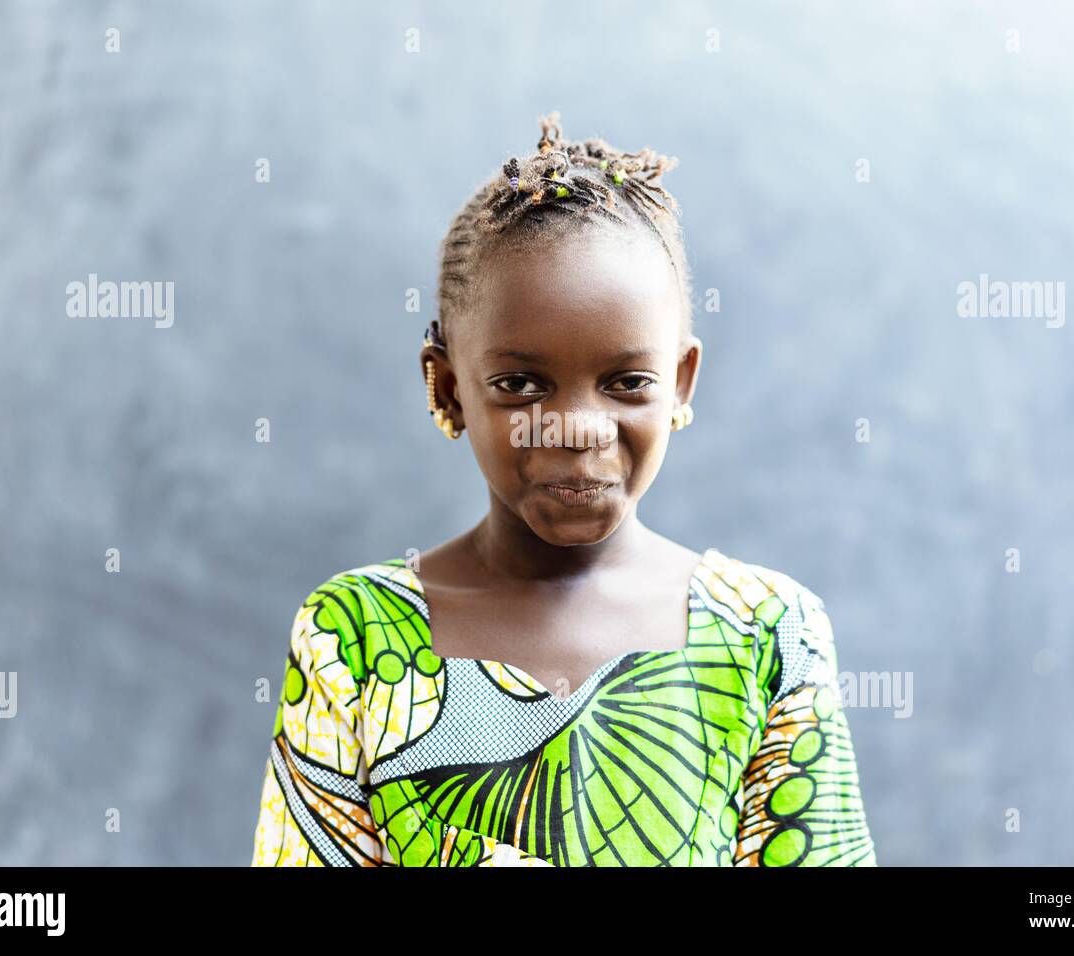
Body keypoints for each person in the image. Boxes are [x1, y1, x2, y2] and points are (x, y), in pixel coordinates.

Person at [250, 112, 877, 867]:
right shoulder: (352, 637)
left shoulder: (769, 636)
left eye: (627, 383)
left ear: (680, 383)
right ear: (447, 388)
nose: (577, 428)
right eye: (519, 384)